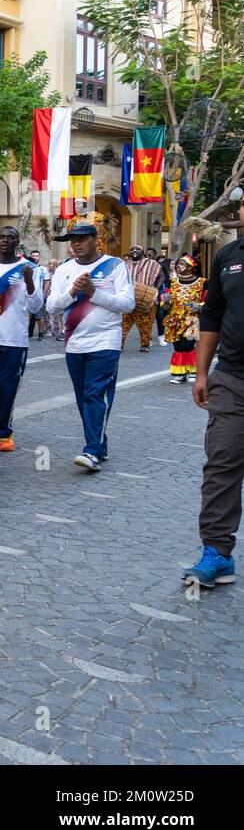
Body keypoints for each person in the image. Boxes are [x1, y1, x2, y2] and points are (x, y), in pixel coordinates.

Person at [183, 208, 243, 588]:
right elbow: (212, 314)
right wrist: (203, 373)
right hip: (233, 379)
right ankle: (218, 552)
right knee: (221, 462)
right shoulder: (229, 255)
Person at [45, 223, 135, 472]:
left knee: (95, 394)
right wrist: (73, 292)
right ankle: (99, 444)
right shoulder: (64, 270)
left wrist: (93, 292)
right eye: (72, 240)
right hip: (74, 344)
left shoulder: (115, 266)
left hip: (106, 342)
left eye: (82, 239)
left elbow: (127, 304)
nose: (76, 244)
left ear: (96, 240)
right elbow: (52, 306)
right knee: (83, 398)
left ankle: (92, 451)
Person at [0, 225, 43, 453]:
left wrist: (31, 282)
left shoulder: (29, 268)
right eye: (2, 237)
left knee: (7, 387)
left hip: (15, 338)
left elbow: (37, 307)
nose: (6, 241)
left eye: (10, 238)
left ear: (17, 242)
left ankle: (5, 432)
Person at [164, 255, 205, 385]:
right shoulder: (173, 282)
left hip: (192, 319)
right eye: (178, 264)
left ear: (192, 267)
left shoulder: (202, 282)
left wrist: (199, 306)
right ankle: (179, 374)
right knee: (178, 346)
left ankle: (193, 372)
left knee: (188, 345)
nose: (178, 266)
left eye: (182, 264)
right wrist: (164, 302)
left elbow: (207, 301)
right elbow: (166, 302)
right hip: (174, 319)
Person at [122, 245, 161, 352]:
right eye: (132, 249)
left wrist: (154, 289)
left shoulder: (151, 263)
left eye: (137, 250)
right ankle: (119, 343)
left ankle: (145, 344)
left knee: (145, 323)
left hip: (145, 298)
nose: (134, 251)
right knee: (123, 322)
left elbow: (161, 276)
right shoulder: (125, 264)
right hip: (128, 298)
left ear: (142, 252)